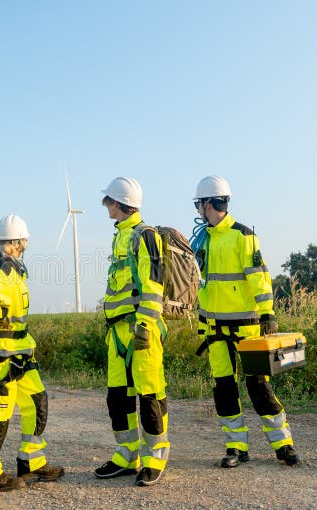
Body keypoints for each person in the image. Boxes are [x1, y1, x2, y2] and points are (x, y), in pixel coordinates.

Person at [190, 175, 301, 468]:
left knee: (259, 388)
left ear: (208, 203)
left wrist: (268, 314)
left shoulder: (242, 235)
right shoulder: (202, 240)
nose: (199, 210)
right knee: (224, 390)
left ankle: (283, 444)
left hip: (247, 328)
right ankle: (236, 448)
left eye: (199, 204)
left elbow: (259, 278)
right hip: (214, 329)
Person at [0, 214, 65, 492]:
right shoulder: (5, 270)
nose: (26, 243)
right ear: (19, 241)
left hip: (21, 355)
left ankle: (31, 461)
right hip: (2, 356)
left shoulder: (14, 269)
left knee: (36, 402)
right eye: (24, 239)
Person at [94, 177, 170, 487]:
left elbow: (152, 286)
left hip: (141, 332)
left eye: (108, 201)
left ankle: (155, 457)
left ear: (120, 202)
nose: (105, 206)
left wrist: (144, 327)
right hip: (117, 333)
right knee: (118, 398)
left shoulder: (145, 236)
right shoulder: (120, 236)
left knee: (150, 395)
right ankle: (126, 455)